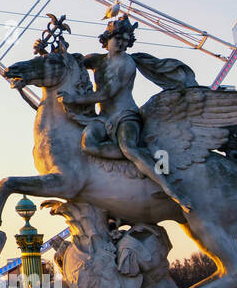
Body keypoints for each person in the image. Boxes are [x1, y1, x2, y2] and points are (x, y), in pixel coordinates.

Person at [58, 14, 194, 214]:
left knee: (128, 148)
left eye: (125, 41)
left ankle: (171, 189)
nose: (121, 44)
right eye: (117, 39)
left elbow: (107, 93)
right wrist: (55, 49)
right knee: (88, 145)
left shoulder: (127, 63)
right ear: (106, 40)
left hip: (125, 115)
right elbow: (70, 65)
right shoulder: (96, 60)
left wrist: (74, 99)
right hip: (103, 118)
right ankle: (133, 168)